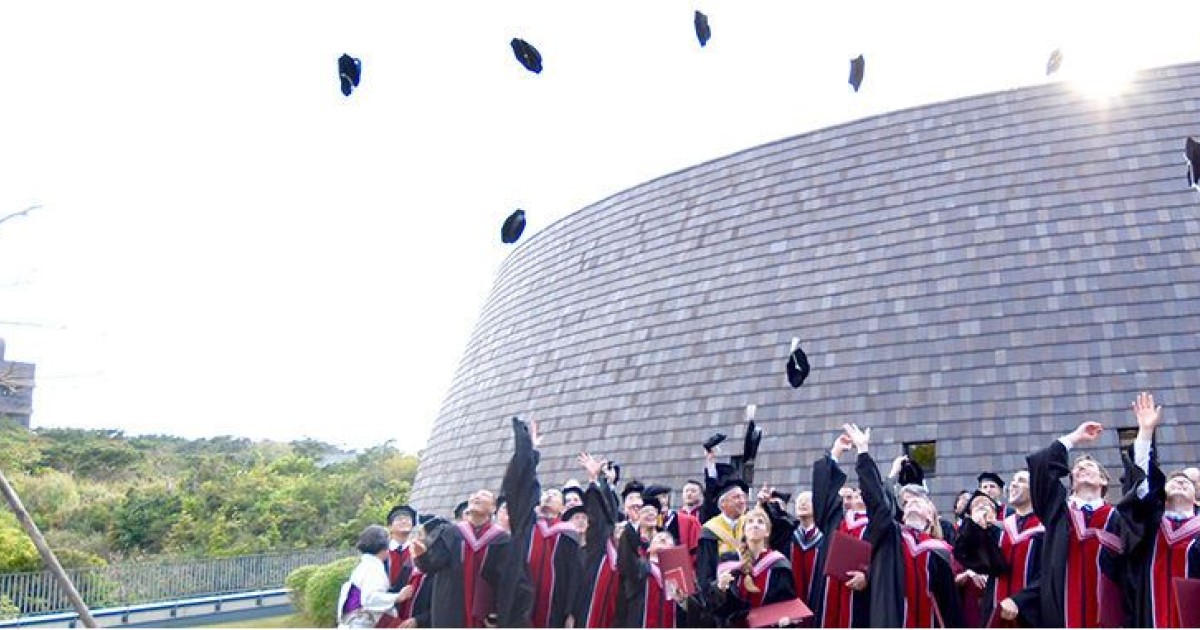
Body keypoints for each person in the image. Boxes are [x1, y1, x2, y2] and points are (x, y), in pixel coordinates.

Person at [999, 412, 1146, 627]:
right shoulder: (1057, 513)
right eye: (1077, 468)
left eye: (1090, 467)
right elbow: (1042, 467)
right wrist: (1074, 438)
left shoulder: (1120, 520)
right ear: (1072, 482)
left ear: (1104, 480)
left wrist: (1144, 433)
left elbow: (1144, 496)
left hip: (1110, 618)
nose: (1083, 468)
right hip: (1061, 616)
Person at [847, 423, 962, 628]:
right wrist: (863, 452)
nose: (913, 503)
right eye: (907, 503)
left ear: (932, 516)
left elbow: (950, 608)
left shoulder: (941, 552)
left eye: (921, 501)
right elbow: (879, 504)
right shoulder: (892, 536)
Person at [1117, 392, 1200, 628]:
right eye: (1173, 481)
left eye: (1187, 482)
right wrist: (1145, 433)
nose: (1181, 482)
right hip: (1149, 615)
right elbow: (1141, 486)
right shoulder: (1150, 524)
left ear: (1197, 499)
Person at [810, 433, 869, 628]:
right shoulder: (836, 519)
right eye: (856, 493)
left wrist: (869, 576)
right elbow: (823, 495)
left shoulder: (880, 525)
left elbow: (891, 561)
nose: (859, 495)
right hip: (829, 592)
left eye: (861, 492)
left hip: (864, 598)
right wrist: (835, 453)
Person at [712, 507, 797, 627]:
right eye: (750, 521)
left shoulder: (779, 564)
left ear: (767, 532)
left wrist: (785, 620)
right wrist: (720, 589)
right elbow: (716, 608)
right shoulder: (728, 561)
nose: (755, 525)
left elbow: (786, 604)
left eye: (760, 522)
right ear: (744, 530)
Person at [617, 498, 684, 627]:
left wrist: (683, 600)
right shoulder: (640, 566)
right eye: (659, 538)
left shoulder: (678, 569)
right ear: (648, 547)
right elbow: (626, 560)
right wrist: (634, 524)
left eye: (667, 538)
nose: (663, 538)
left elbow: (693, 603)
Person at [951, 491, 1008, 627]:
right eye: (976, 505)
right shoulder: (962, 540)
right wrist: (970, 572)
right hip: (972, 602)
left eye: (986, 504)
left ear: (995, 513)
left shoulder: (1006, 533)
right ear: (970, 514)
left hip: (1003, 597)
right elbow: (956, 569)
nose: (981, 506)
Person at [337, 525, 404, 628]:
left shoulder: (365, 566)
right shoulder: (372, 569)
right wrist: (397, 597)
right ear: (384, 546)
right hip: (361, 622)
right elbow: (370, 599)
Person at [788, 491, 821, 611]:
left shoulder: (824, 539)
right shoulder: (788, 536)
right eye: (799, 501)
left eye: (807, 500)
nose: (802, 503)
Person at [385, 505, 418, 592]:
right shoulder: (383, 551)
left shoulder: (417, 550)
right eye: (399, 519)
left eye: (408, 519)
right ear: (390, 527)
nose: (404, 521)